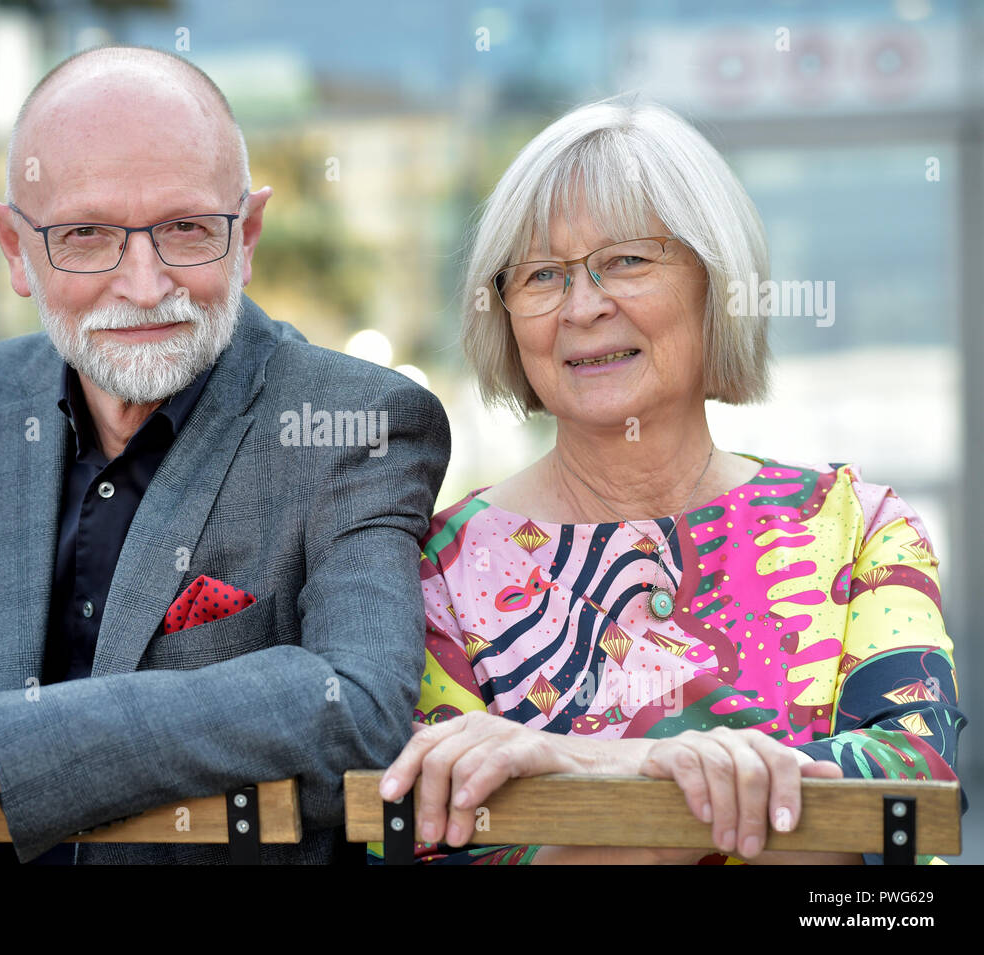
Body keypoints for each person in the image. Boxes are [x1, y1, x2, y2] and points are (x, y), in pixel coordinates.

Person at [0, 44, 450, 864]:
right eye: (86, 234)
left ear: (247, 234)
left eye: (186, 228)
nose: (144, 286)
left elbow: (356, 711)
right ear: (12, 248)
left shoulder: (357, 421)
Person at [377, 97, 966, 864]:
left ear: (714, 281)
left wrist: (597, 765)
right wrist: (714, 799)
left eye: (627, 260)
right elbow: (426, 844)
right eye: (543, 275)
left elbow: (914, 805)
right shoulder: (435, 570)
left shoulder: (860, 528)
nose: (583, 306)